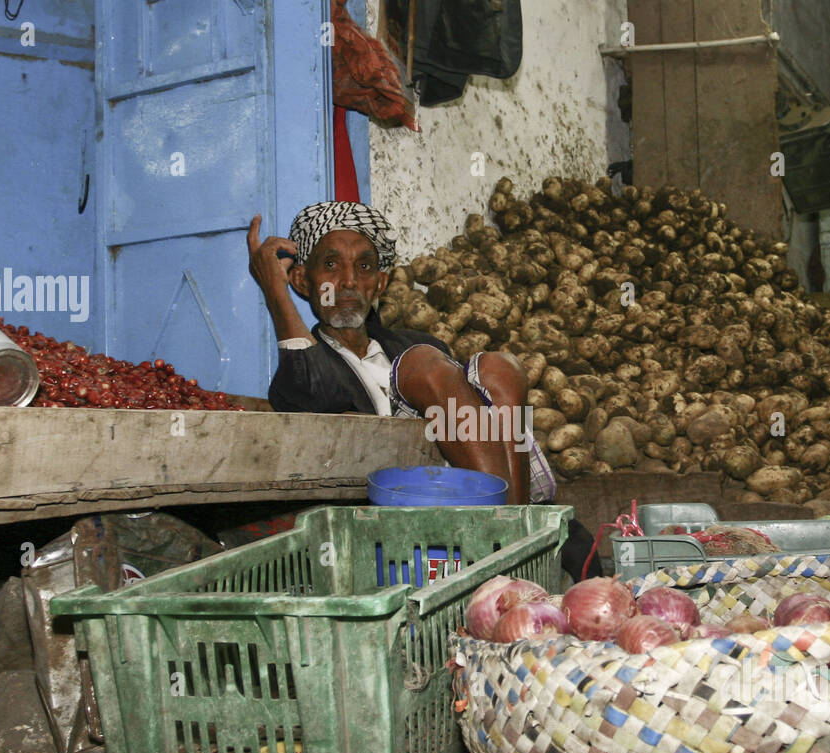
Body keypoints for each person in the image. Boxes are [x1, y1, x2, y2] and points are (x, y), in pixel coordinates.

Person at [247, 201, 600, 578]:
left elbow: (473, 417)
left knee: (499, 366)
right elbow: (316, 394)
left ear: (380, 283)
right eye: (331, 265)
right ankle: (516, 546)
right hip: (401, 507)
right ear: (303, 281)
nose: (348, 282)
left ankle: (515, 533)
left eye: (364, 267)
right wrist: (275, 293)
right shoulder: (299, 374)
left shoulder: (414, 345)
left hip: (467, 489)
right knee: (423, 362)